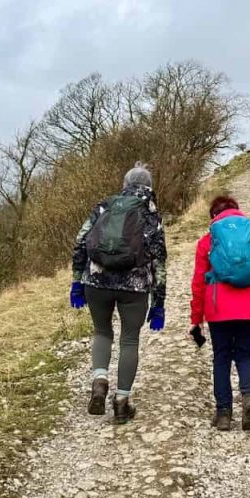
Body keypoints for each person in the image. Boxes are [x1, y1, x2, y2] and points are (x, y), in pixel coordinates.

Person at [70, 163, 167, 424]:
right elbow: (159, 261)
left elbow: (80, 241)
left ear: (125, 184)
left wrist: (77, 281)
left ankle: (99, 380)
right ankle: (122, 402)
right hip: (134, 287)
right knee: (129, 340)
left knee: (102, 331)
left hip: (97, 282)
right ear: (149, 186)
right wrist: (159, 303)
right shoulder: (151, 214)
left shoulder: (105, 206)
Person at [190, 195, 250, 432]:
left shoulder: (207, 241)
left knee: (221, 356)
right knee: (245, 354)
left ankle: (223, 414)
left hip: (218, 307)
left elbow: (199, 284)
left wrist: (196, 319)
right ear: (237, 212)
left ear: (213, 217)